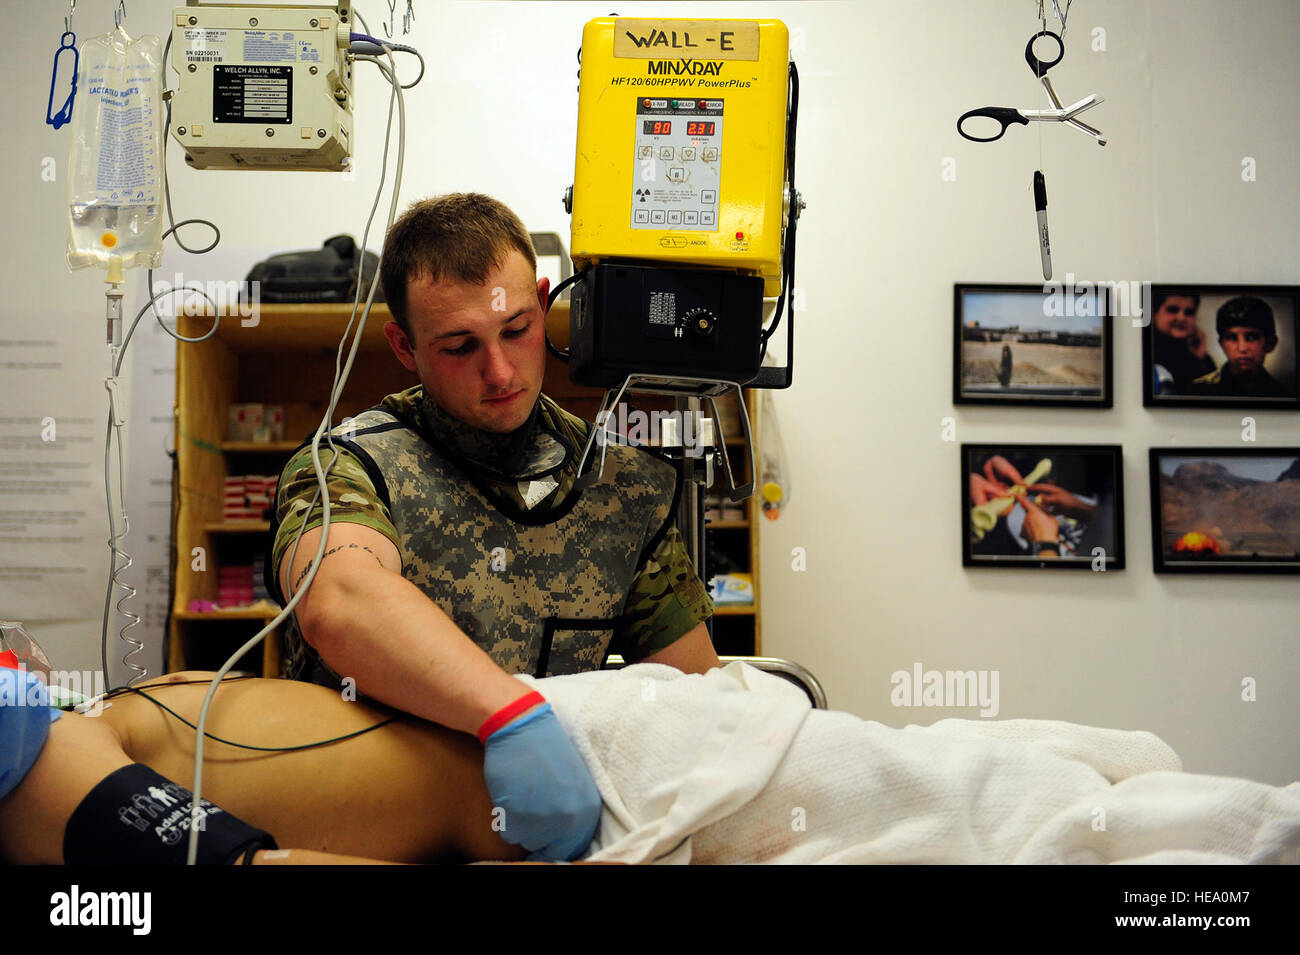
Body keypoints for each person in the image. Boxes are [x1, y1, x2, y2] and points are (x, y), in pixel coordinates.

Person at [266, 193, 720, 861]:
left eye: (517, 329)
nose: (501, 371)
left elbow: (697, 701)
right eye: (459, 346)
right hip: (360, 835)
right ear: (404, 344)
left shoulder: (624, 487)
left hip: (547, 843)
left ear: (541, 301)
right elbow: (340, 599)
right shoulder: (347, 465)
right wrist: (509, 713)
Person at [5, 668, 1298, 865]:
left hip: (620, 759)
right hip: (615, 785)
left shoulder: (33, 749)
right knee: (985, 794)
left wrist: (510, 713)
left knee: (1003, 818)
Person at [1186, 296, 1291, 397]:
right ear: (1222, 344)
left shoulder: (1282, 394)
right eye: (1232, 338)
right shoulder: (1199, 390)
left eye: (1251, 337)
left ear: (1270, 343)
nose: (1242, 348)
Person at [1149, 292, 1214, 393]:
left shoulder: (1197, 356)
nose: (1181, 318)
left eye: (1189, 312)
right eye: (1173, 310)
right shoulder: (1146, 352)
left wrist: (1201, 359)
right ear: (1154, 314)